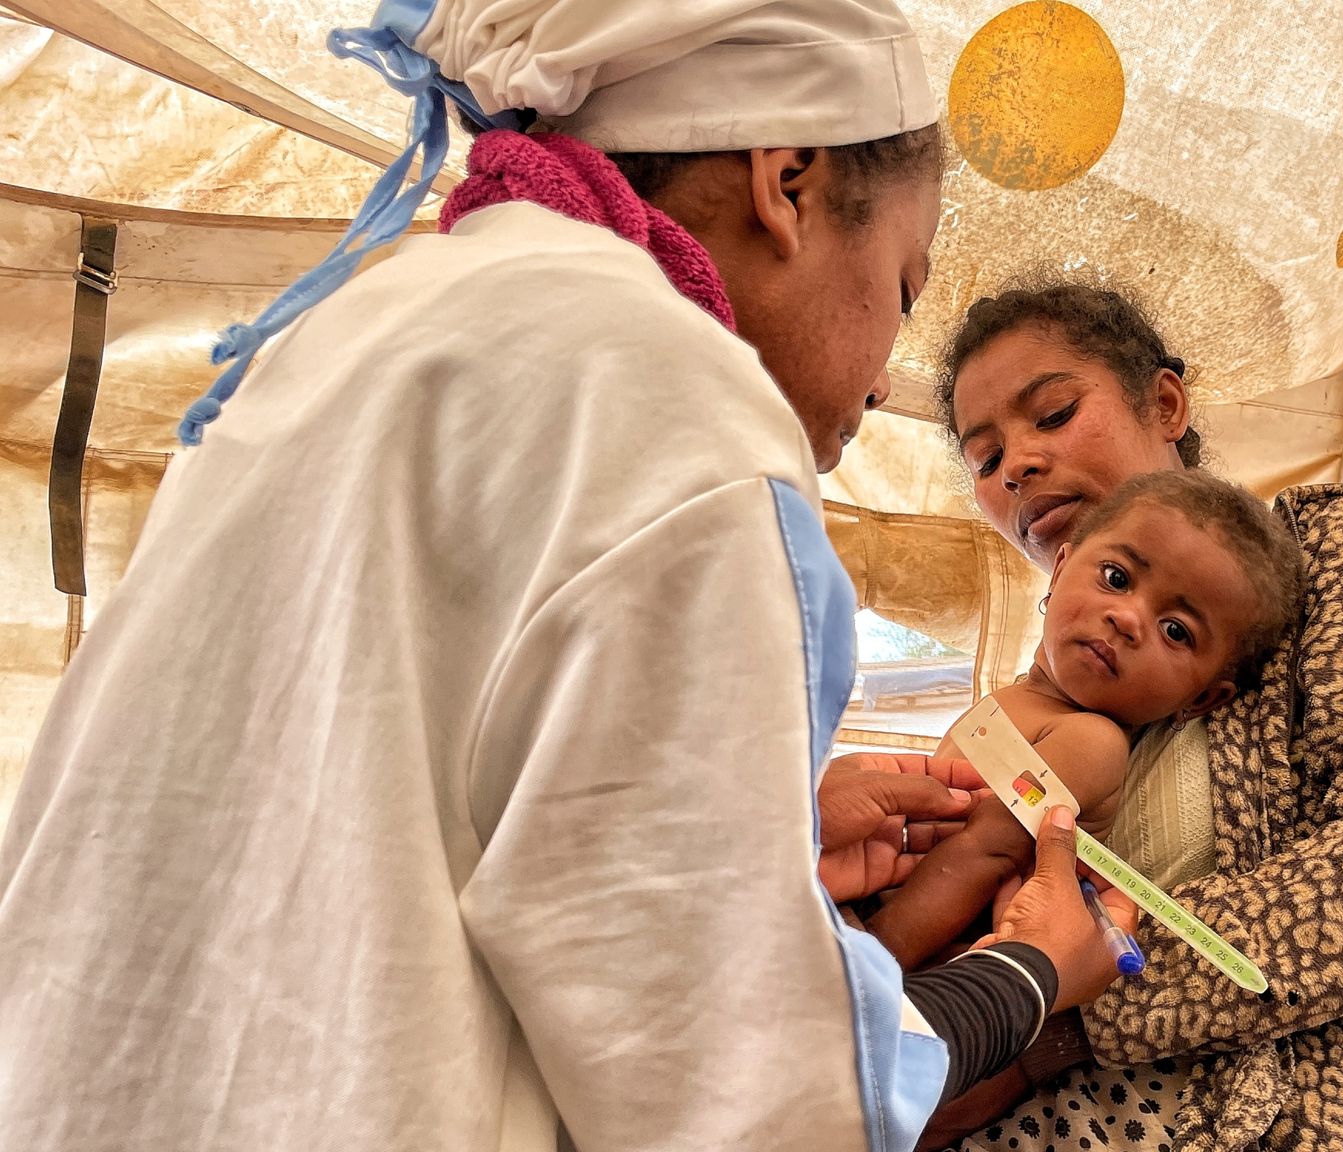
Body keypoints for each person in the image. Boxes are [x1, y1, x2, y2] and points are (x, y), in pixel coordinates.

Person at [0, 4, 1130, 1151]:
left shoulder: (345, 337)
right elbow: (747, 1105)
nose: (884, 377)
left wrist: (755, 841)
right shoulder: (679, 408)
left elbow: (364, 802)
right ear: (785, 181)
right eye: (899, 285)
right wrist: (1025, 974)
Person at [924, 284, 1343, 1151]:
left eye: (1056, 413)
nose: (1019, 465)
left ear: (1166, 403)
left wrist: (1054, 1014)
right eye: (985, 458)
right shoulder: (1055, 693)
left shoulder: (1322, 553)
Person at [864, 471, 1307, 967]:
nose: (1128, 618)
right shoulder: (1019, 698)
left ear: (1202, 700)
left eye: (1177, 631)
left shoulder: (1090, 740)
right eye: (1116, 578)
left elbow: (983, 853)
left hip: (906, 951)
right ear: (1059, 570)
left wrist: (866, 957)